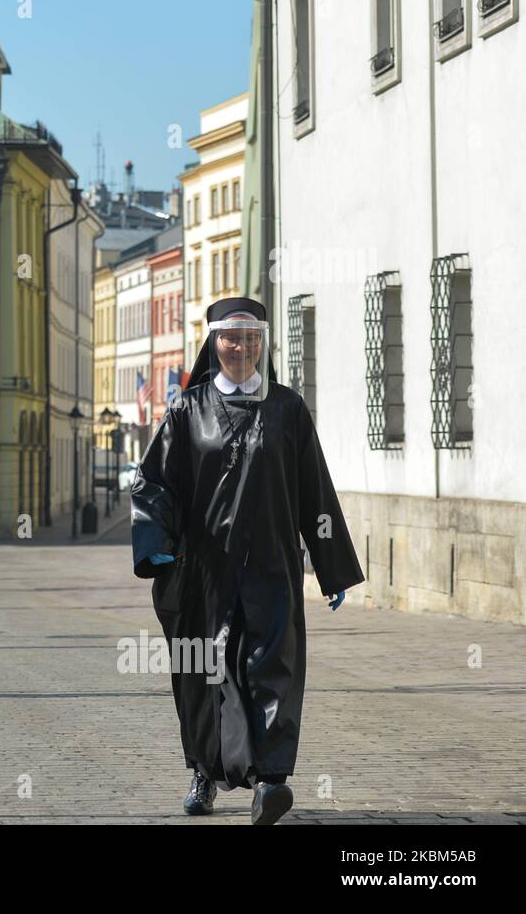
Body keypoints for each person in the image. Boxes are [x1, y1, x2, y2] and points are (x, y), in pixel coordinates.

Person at [131, 297, 364, 826]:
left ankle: (271, 781)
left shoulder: (287, 410)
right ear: (214, 344)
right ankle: (202, 774)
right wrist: (154, 544)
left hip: (272, 569)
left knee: (272, 667)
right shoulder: (186, 411)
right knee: (202, 672)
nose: (241, 348)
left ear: (263, 344)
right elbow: (154, 484)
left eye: (251, 338)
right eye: (230, 339)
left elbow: (315, 492)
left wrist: (331, 566)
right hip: (203, 574)